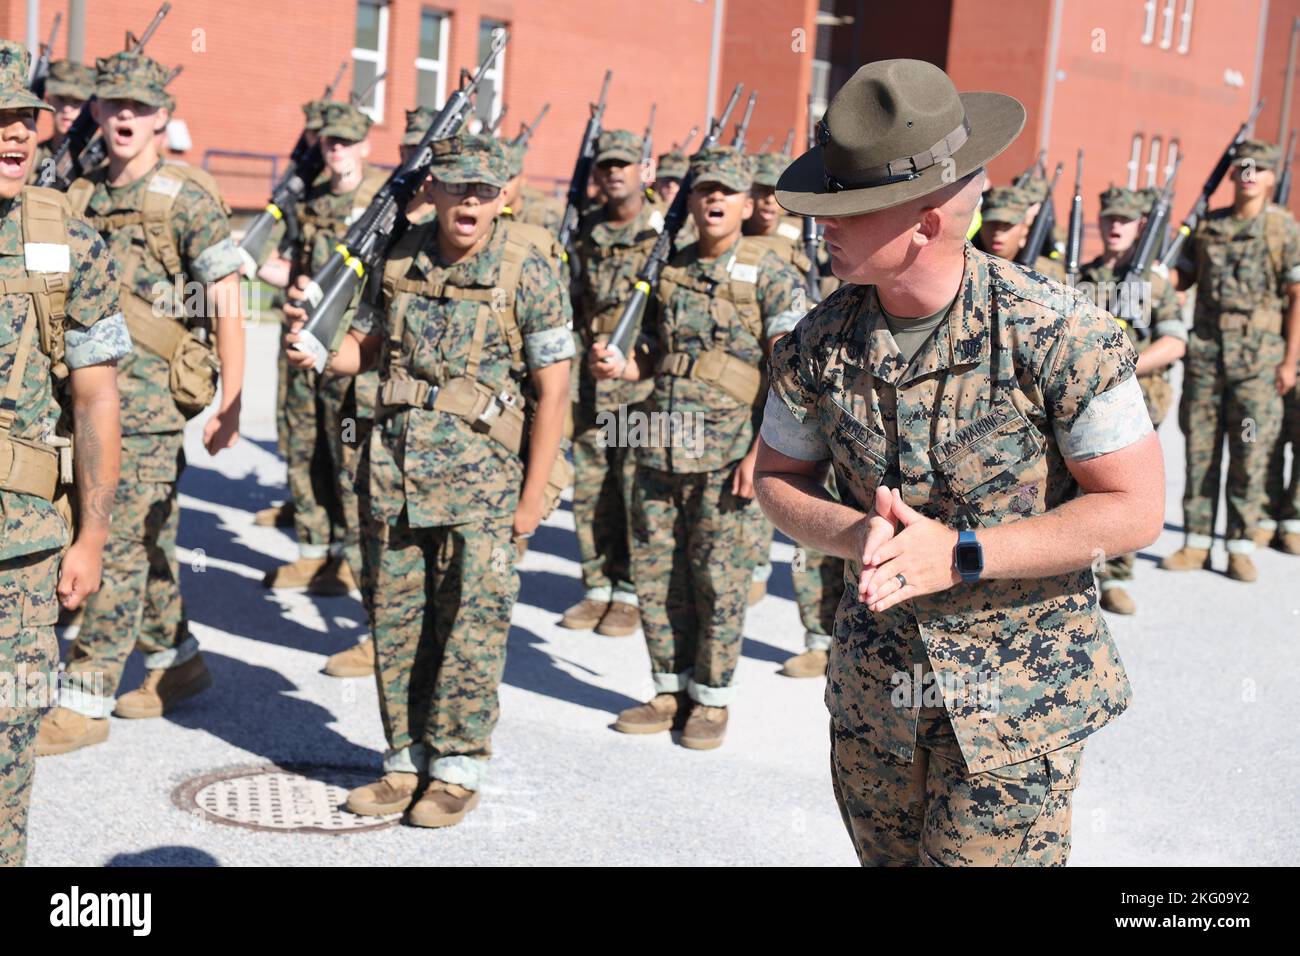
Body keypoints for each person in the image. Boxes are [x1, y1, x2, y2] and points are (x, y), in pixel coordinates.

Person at [755, 58, 1162, 865]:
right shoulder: (817, 342)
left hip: (1015, 707)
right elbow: (774, 478)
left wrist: (962, 554)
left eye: (846, 208)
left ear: (925, 224)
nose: (819, 224)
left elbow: (1133, 508)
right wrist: (855, 535)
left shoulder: (1059, 334)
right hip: (876, 706)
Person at [284, 133, 573, 828]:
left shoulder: (527, 268)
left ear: (504, 195)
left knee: (472, 628)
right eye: (456, 186)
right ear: (433, 189)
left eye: (483, 189)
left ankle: (457, 764)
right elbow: (370, 348)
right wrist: (320, 349)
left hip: (484, 485)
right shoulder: (400, 255)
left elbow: (555, 390)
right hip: (394, 474)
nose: (469, 200)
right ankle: (404, 758)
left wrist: (534, 498)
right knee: (397, 622)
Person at [36, 49, 245, 754]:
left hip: (153, 411)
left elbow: (227, 298)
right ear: (94, 112)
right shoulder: (79, 193)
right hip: (87, 398)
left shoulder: (186, 197)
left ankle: (86, 696)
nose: (125, 116)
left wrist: (234, 400)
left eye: (140, 107)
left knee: (116, 543)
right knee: (147, 538)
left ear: (163, 117)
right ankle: (176, 662)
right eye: (113, 104)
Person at [591, 145, 804, 750]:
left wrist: (762, 452)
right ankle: (668, 687)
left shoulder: (770, 272)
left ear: (745, 203)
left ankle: (710, 699)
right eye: (704, 190)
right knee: (659, 578)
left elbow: (792, 372)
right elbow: (655, 354)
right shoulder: (670, 268)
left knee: (720, 579)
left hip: (727, 455)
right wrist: (623, 366)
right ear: (690, 200)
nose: (714, 199)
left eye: (726, 192)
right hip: (658, 446)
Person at [0, 39, 126, 867]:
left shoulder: (68, 242)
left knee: (8, 742)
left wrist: (91, 535)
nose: (16, 135)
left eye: (26, 120)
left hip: (23, 546)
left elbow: (95, 399)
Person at [1161, 139, 1300, 581]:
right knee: (1200, 452)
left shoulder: (1283, 228)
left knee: (1249, 450)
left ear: (1272, 177)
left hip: (1257, 368)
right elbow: (1183, 275)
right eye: (1242, 167)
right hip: (1206, 360)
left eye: (1258, 168)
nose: (1249, 175)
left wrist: (1289, 361)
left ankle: (1240, 544)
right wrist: (1162, 278)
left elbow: (1297, 296)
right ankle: (1196, 543)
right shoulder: (1208, 224)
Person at [263, 101, 386, 599]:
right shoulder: (311, 199)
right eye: (330, 142)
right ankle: (314, 548)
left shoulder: (380, 204)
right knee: (303, 441)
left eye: (346, 142)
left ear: (365, 146)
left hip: (350, 350)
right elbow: (290, 261)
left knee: (347, 452)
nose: (336, 150)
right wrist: (291, 286)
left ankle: (349, 554)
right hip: (301, 339)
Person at [562, 129, 663, 636]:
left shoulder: (662, 234)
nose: (613, 173)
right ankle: (597, 585)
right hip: (590, 379)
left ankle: (629, 593)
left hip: (637, 384)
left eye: (623, 164)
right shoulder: (585, 232)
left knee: (631, 489)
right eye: (606, 166)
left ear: (641, 171)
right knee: (590, 486)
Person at [1077, 186, 1186, 614]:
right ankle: (1077, 573)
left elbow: (1176, 341)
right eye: (1109, 219)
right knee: (1080, 492)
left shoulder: (1153, 282)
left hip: (1137, 401)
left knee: (1125, 492)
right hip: (1082, 402)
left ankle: (1116, 578)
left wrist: (1123, 365)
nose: (1115, 227)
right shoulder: (1080, 276)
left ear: (1142, 226)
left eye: (1125, 220)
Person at [27, 59, 95, 185]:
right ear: (48, 99)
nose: (67, 108)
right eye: (61, 99)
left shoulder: (97, 158)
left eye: (77, 101)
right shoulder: (31, 155)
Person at [977, 185, 1065, 280]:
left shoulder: (1045, 274)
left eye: (1007, 224)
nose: (998, 231)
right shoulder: (966, 265)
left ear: (1024, 230)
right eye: (991, 223)